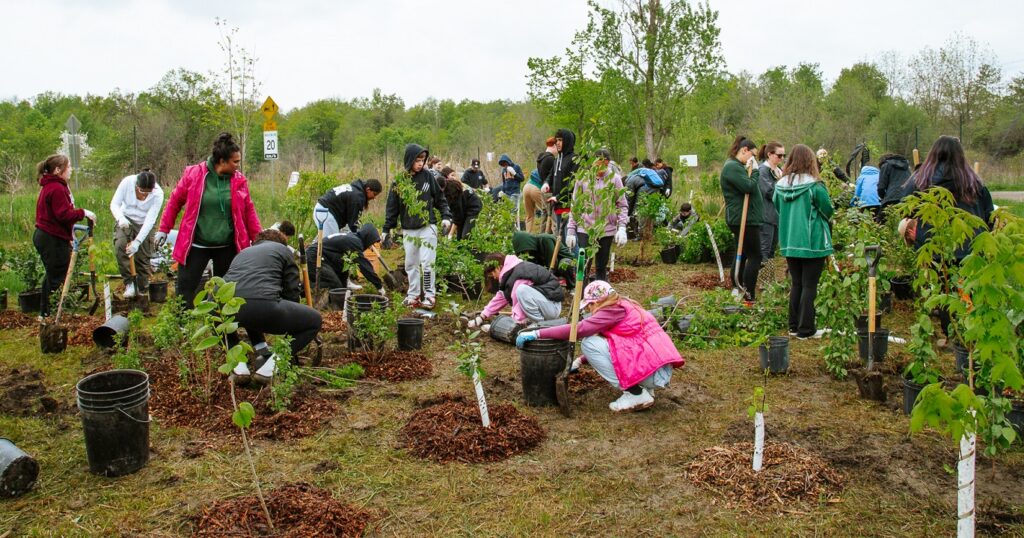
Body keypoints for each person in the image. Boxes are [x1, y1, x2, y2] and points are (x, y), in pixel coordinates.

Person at [515, 281, 684, 412]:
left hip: (654, 373)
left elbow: (579, 329)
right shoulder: (624, 305)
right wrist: (580, 361)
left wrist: (538, 333)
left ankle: (635, 393)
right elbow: (618, 345)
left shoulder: (611, 311)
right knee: (597, 342)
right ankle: (645, 388)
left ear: (598, 301)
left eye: (590, 305)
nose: (589, 309)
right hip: (659, 370)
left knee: (589, 343)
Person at [156, 133, 262, 306]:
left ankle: (221, 320)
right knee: (185, 289)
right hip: (196, 245)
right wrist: (163, 229)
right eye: (235, 161)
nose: (238, 165)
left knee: (226, 291)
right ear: (222, 161)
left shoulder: (239, 180)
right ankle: (183, 320)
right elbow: (175, 201)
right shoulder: (194, 174)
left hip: (227, 246)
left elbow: (249, 210)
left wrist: (258, 238)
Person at [223, 229, 322, 385]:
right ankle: (269, 369)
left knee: (241, 306)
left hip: (226, 306)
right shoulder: (283, 250)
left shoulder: (243, 253)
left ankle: (239, 366)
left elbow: (245, 291)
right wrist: (295, 323)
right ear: (281, 243)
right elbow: (291, 293)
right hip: (263, 305)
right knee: (315, 320)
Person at [773, 144, 834, 339]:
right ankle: (806, 329)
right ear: (810, 162)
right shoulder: (815, 186)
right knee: (809, 285)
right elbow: (827, 210)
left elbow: (777, 207)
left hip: (789, 241)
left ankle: (793, 326)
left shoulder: (780, 186)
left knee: (797, 284)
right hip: (811, 241)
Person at [382, 143, 452, 309]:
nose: (420, 163)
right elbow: (392, 207)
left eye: (423, 160)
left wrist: (446, 217)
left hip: (428, 226)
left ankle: (429, 295)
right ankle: (413, 295)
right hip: (409, 229)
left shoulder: (428, 177)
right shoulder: (399, 181)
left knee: (427, 263)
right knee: (410, 263)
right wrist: (386, 229)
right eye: (417, 160)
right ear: (409, 160)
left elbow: (440, 199)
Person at [33, 154, 96, 318]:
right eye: (68, 167)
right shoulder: (56, 188)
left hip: (50, 236)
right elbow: (63, 215)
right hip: (50, 238)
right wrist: (83, 212)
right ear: (57, 170)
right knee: (57, 278)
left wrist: (68, 235)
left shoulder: (54, 186)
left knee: (53, 274)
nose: (71, 170)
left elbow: (59, 216)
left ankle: (46, 313)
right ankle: (54, 314)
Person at [566, 149, 629, 283]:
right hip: (585, 228)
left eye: (603, 163)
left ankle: (601, 292)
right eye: (597, 162)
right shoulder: (583, 178)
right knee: (582, 265)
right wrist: (571, 230)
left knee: (601, 266)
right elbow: (575, 205)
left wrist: (622, 227)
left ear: (607, 163)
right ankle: (580, 293)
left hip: (606, 229)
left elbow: (622, 205)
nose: (599, 166)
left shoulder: (614, 179)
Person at [465, 253, 564, 330]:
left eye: (493, 273)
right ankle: (533, 322)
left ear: (498, 267)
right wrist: (482, 316)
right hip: (545, 304)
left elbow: (518, 306)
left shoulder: (519, 276)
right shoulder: (512, 274)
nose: (494, 277)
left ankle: (539, 325)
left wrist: (512, 325)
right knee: (521, 291)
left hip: (552, 306)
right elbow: (501, 297)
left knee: (522, 290)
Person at [720, 135, 763, 302]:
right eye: (753, 155)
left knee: (744, 254)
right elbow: (748, 186)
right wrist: (756, 171)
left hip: (746, 219)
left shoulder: (737, 166)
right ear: (745, 150)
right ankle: (748, 294)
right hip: (743, 220)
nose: (754, 159)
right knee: (755, 256)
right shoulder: (732, 167)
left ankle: (737, 288)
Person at [109, 170, 165, 298]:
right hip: (126, 219)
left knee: (143, 257)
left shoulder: (158, 194)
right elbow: (114, 204)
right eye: (142, 191)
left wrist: (137, 242)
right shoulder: (127, 182)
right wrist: (120, 218)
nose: (144, 195)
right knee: (120, 247)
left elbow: (150, 220)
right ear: (136, 186)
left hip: (145, 223)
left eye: (148, 192)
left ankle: (142, 290)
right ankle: (129, 284)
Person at [307, 223, 384, 292]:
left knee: (341, 287)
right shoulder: (355, 243)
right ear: (368, 238)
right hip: (315, 257)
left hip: (322, 257)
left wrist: (344, 285)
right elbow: (364, 266)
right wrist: (379, 285)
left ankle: (344, 286)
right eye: (372, 242)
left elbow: (343, 264)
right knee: (336, 287)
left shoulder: (352, 238)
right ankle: (306, 287)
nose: (371, 247)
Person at [313, 179, 383, 236]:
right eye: (374, 194)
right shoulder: (358, 197)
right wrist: (361, 237)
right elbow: (353, 224)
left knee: (325, 241)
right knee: (332, 243)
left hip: (321, 209)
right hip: (326, 213)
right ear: (368, 189)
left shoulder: (355, 189)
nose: (374, 197)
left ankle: (311, 248)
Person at [548, 129, 578, 239]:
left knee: (570, 239)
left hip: (569, 206)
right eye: (556, 140)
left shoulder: (574, 159)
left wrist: (558, 197)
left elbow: (572, 184)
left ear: (567, 141)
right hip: (558, 205)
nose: (557, 143)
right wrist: (546, 184)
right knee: (561, 239)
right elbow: (550, 176)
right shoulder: (557, 160)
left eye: (560, 140)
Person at [757, 142, 784, 260]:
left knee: (772, 250)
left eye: (784, 155)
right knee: (765, 250)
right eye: (779, 155)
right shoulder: (762, 171)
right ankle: (761, 272)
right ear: (769, 154)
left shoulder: (779, 171)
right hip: (766, 216)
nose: (782, 158)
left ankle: (770, 272)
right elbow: (769, 192)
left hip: (776, 216)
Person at [441, 168, 482, 239]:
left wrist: (450, 234)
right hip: (463, 207)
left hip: (472, 208)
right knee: (459, 237)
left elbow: (457, 216)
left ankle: (473, 245)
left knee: (466, 236)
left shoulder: (453, 191)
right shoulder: (448, 187)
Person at [526, 138, 557, 233]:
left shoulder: (541, 158)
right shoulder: (550, 159)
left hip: (541, 189)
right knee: (553, 217)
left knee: (544, 214)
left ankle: (542, 236)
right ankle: (553, 237)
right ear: (554, 146)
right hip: (549, 190)